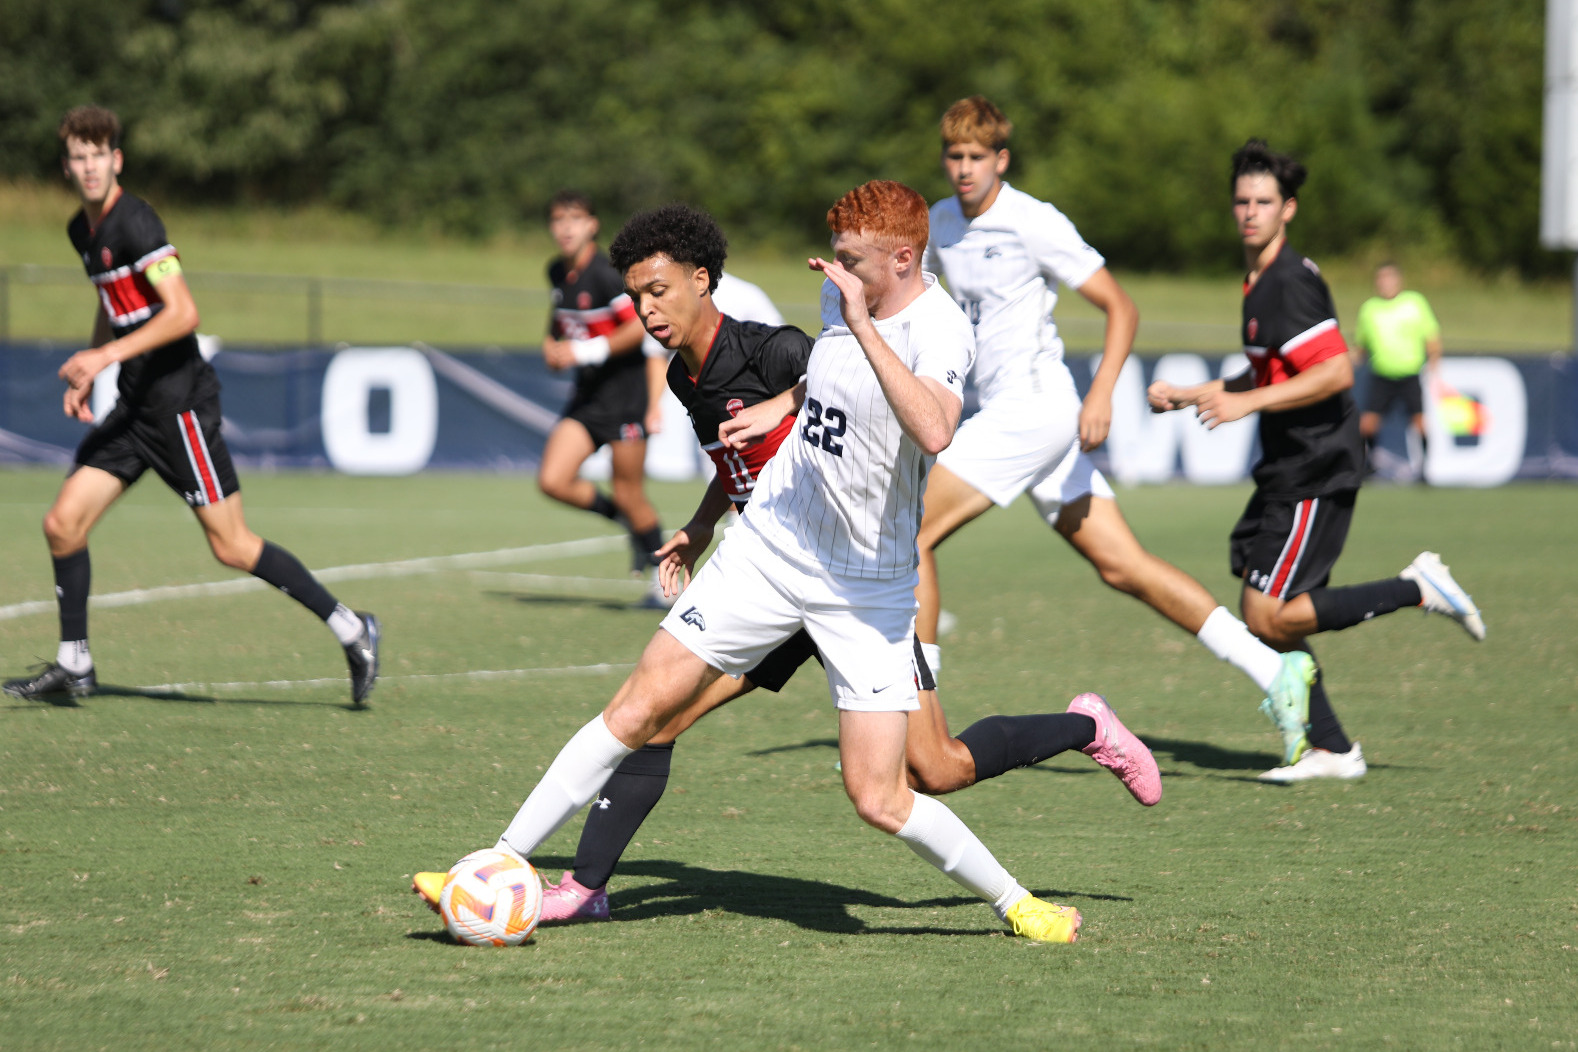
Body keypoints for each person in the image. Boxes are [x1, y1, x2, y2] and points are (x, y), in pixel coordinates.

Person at [416, 183, 1165, 943]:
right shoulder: (839, 302)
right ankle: (498, 863)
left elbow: (936, 429)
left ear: (903, 260)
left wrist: (863, 325)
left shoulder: (939, 330)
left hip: (864, 588)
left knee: (891, 792)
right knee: (640, 711)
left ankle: (1020, 897)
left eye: (851, 261)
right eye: (834, 259)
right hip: (773, 545)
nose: (834, 274)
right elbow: (822, 384)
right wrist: (779, 413)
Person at [914, 96, 1316, 775]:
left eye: (977, 157)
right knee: (1123, 566)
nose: (963, 168)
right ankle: (1273, 667)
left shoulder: (1033, 221)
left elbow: (1121, 306)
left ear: (1001, 160)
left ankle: (911, 721)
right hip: (1012, 420)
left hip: (1036, 414)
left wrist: (1100, 393)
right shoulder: (939, 223)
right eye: (954, 156)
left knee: (909, 535)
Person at [1, 106, 379, 706]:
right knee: (62, 524)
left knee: (231, 545)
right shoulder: (83, 230)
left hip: (180, 407)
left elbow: (183, 313)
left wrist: (102, 360)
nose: (89, 166)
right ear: (67, 167)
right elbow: (113, 300)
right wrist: (95, 363)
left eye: (99, 154)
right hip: (133, 407)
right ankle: (75, 666)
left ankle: (352, 629)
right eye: (78, 156)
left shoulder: (138, 222)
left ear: (116, 160)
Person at [1146, 140, 1485, 782]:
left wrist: (1249, 406)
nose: (1250, 212)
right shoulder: (1257, 282)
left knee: (1268, 612)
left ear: (1288, 208)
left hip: (1317, 464)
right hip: (1287, 466)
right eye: (1242, 201)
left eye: (1264, 202)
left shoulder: (1287, 282)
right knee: (1262, 600)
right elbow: (1272, 372)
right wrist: (1196, 394)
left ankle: (1418, 589)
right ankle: (1332, 748)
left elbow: (1333, 374)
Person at [536, 190, 666, 591]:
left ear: (592, 225)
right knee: (553, 480)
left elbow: (637, 326)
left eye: (574, 219)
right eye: (558, 220)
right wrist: (553, 348)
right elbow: (559, 324)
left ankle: (667, 579)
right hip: (588, 399)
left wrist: (582, 351)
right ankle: (627, 523)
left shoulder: (609, 273)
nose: (565, 228)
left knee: (631, 493)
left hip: (626, 398)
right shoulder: (557, 271)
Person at [1352, 262, 1442, 478]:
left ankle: (1424, 469)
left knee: (1419, 422)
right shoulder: (1369, 308)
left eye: (1389, 278)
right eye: (1381, 279)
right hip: (1381, 375)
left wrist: (1434, 362)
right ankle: (1369, 465)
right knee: (1368, 424)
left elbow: (1431, 336)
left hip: (1409, 374)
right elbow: (1361, 348)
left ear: (1398, 280)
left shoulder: (1414, 302)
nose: (1385, 283)